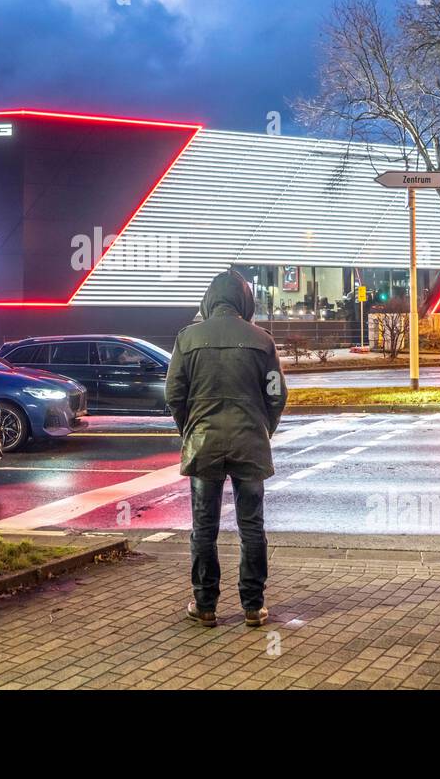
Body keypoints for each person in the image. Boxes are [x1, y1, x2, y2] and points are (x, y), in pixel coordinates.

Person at [165, 269, 287, 628]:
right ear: (244, 301)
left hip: (204, 444)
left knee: (204, 527)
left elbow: (174, 394)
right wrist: (264, 426)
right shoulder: (262, 340)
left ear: (209, 299)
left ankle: (205, 604)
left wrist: (190, 427)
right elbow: (276, 394)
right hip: (250, 443)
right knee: (252, 526)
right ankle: (253, 604)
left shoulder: (188, 338)